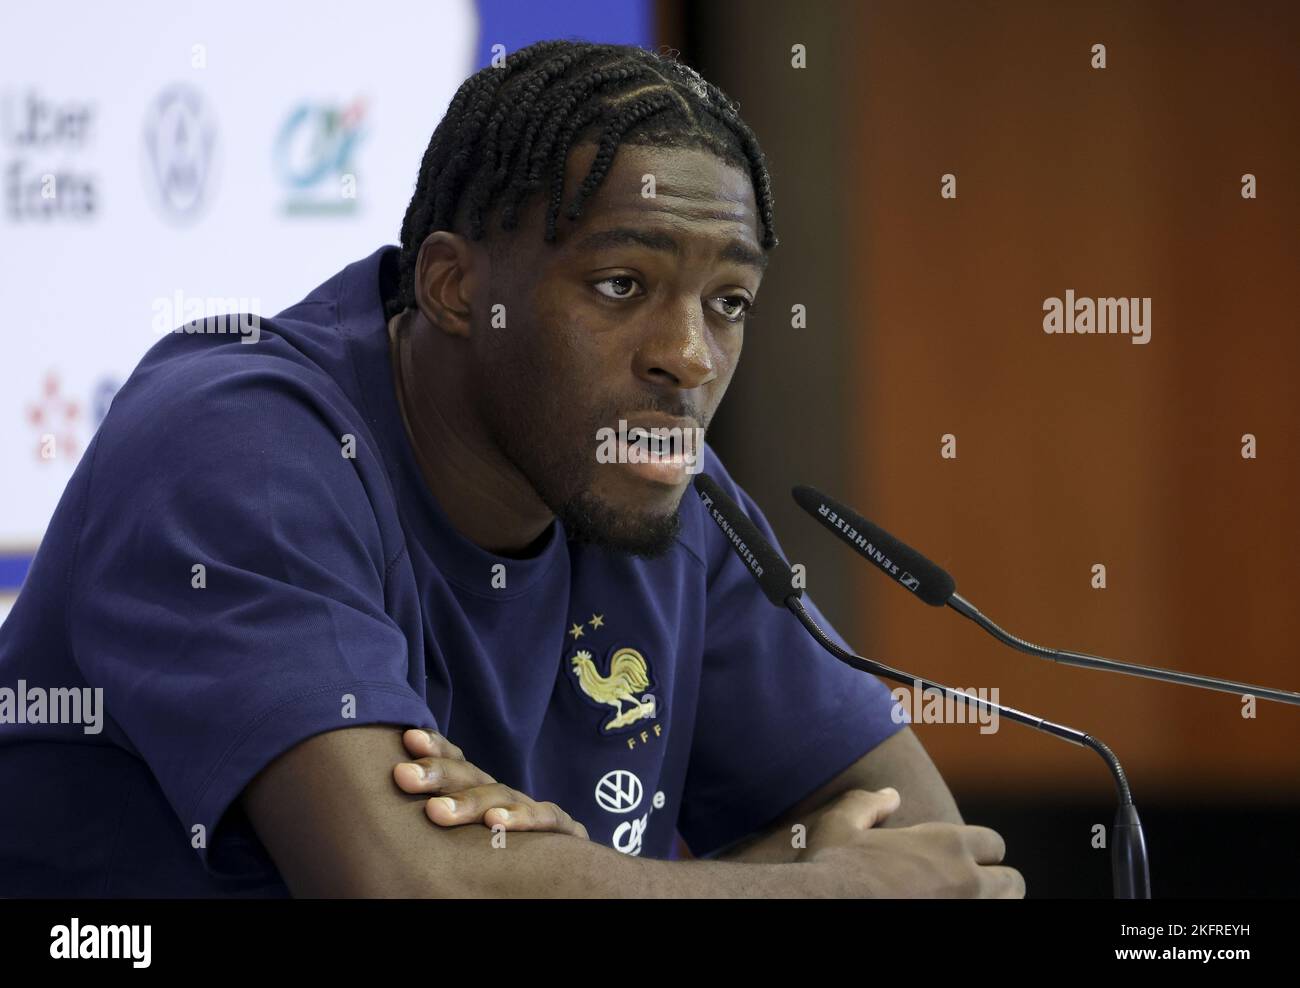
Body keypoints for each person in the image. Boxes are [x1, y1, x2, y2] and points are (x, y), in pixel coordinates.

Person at [0, 40, 1022, 898]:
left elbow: (938, 855)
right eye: (622, 284)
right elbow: (407, 886)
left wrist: (550, 872)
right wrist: (820, 884)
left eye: (728, 301)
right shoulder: (237, 447)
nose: (690, 357)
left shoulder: (659, 483)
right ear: (452, 287)